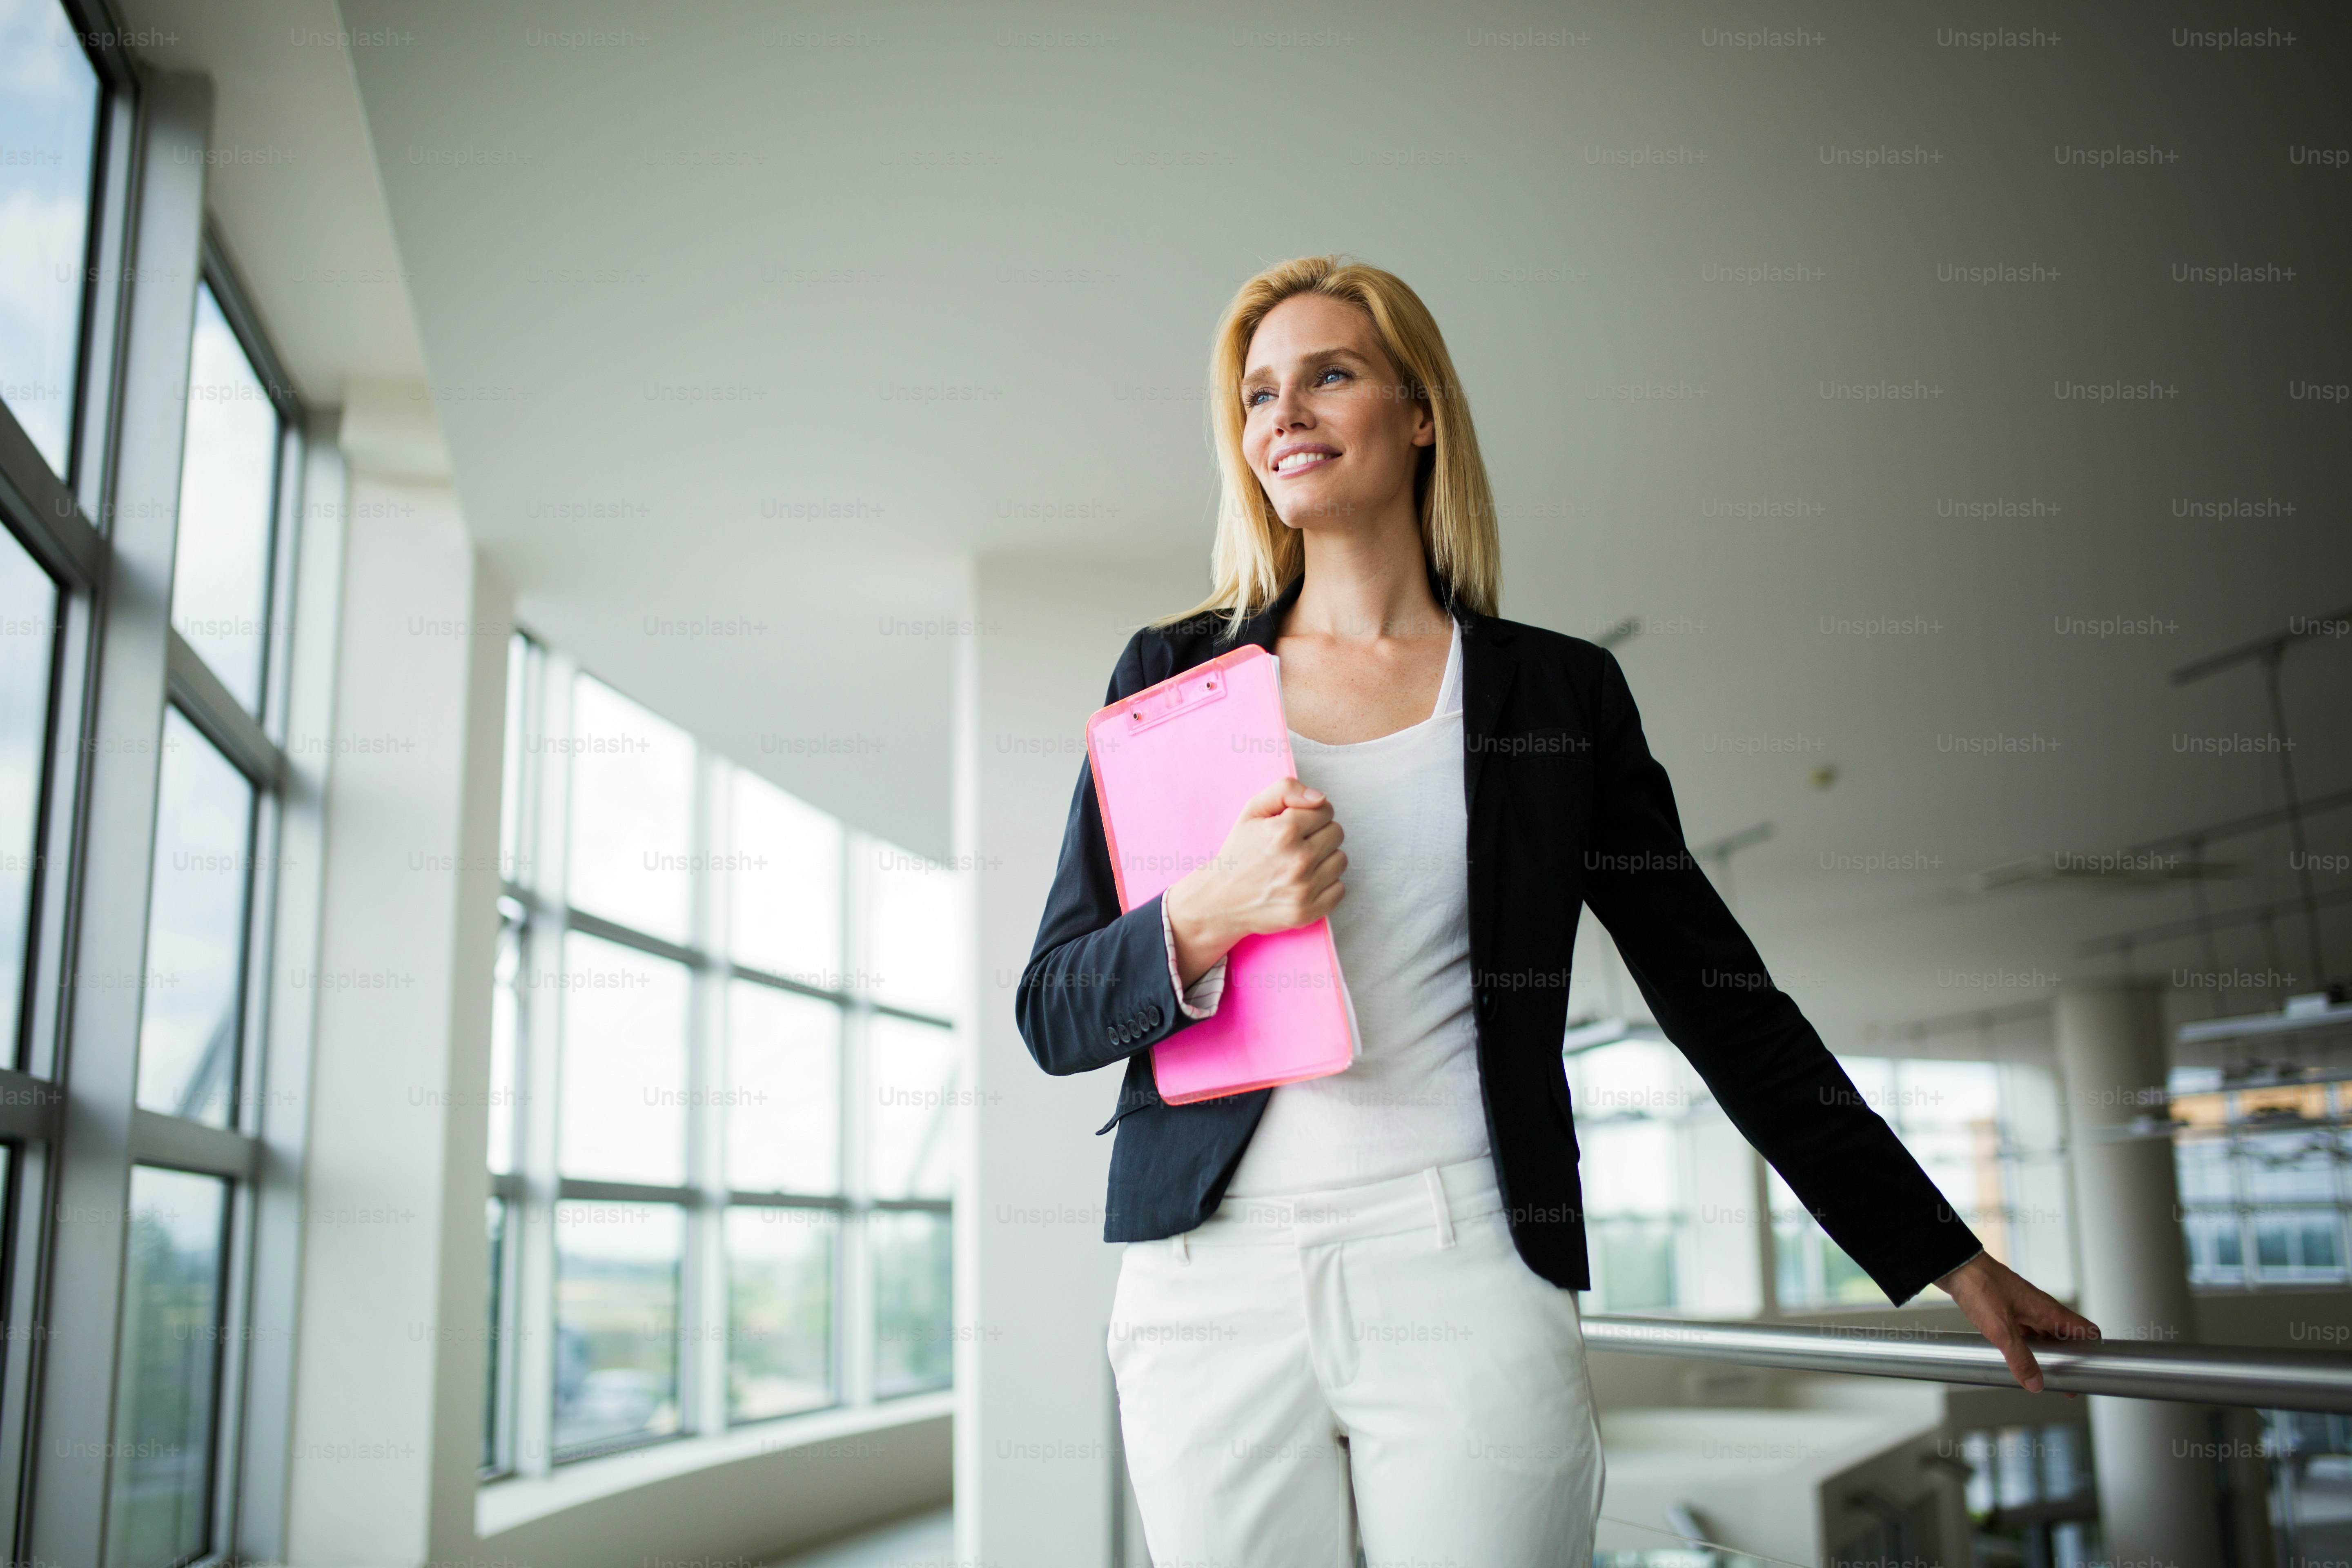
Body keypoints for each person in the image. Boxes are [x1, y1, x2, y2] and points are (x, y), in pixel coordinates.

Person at [1016, 255, 2094, 1565]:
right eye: (1257, 395)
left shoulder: (1559, 699)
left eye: (1329, 375)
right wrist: (1208, 914)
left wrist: (1942, 1252)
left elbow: (1722, 1000)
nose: (1284, 415)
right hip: (1206, 1280)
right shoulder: (1173, 673)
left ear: (1420, 415)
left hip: (1466, 1254)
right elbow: (1057, 1007)